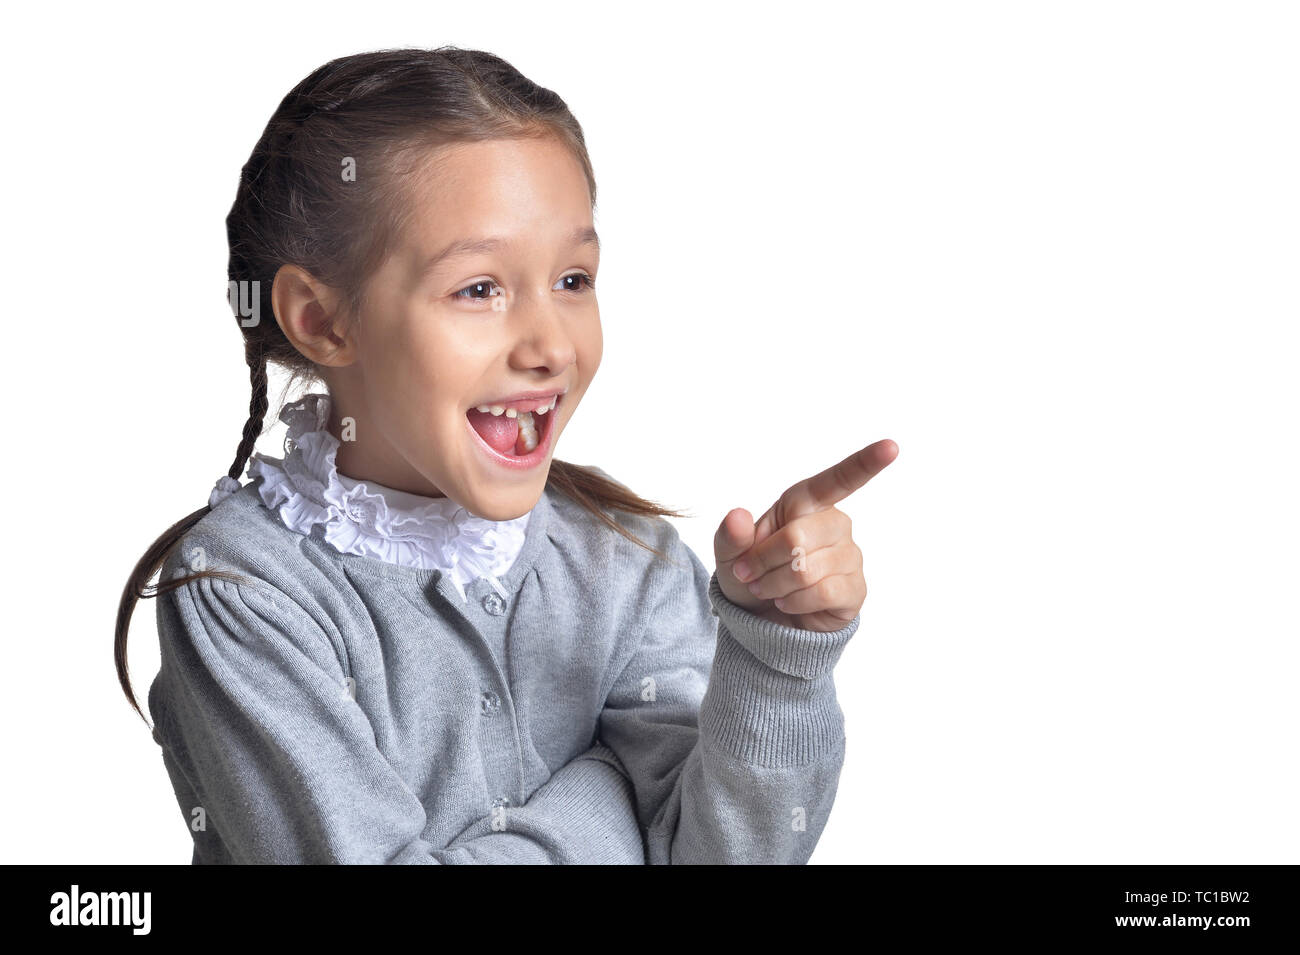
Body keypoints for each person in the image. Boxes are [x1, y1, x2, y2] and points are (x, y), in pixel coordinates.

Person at [114, 46, 897, 864]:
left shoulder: (629, 562)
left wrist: (773, 658)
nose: (551, 345)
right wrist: (611, 795)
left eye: (572, 279)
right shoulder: (244, 592)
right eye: (479, 288)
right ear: (321, 319)